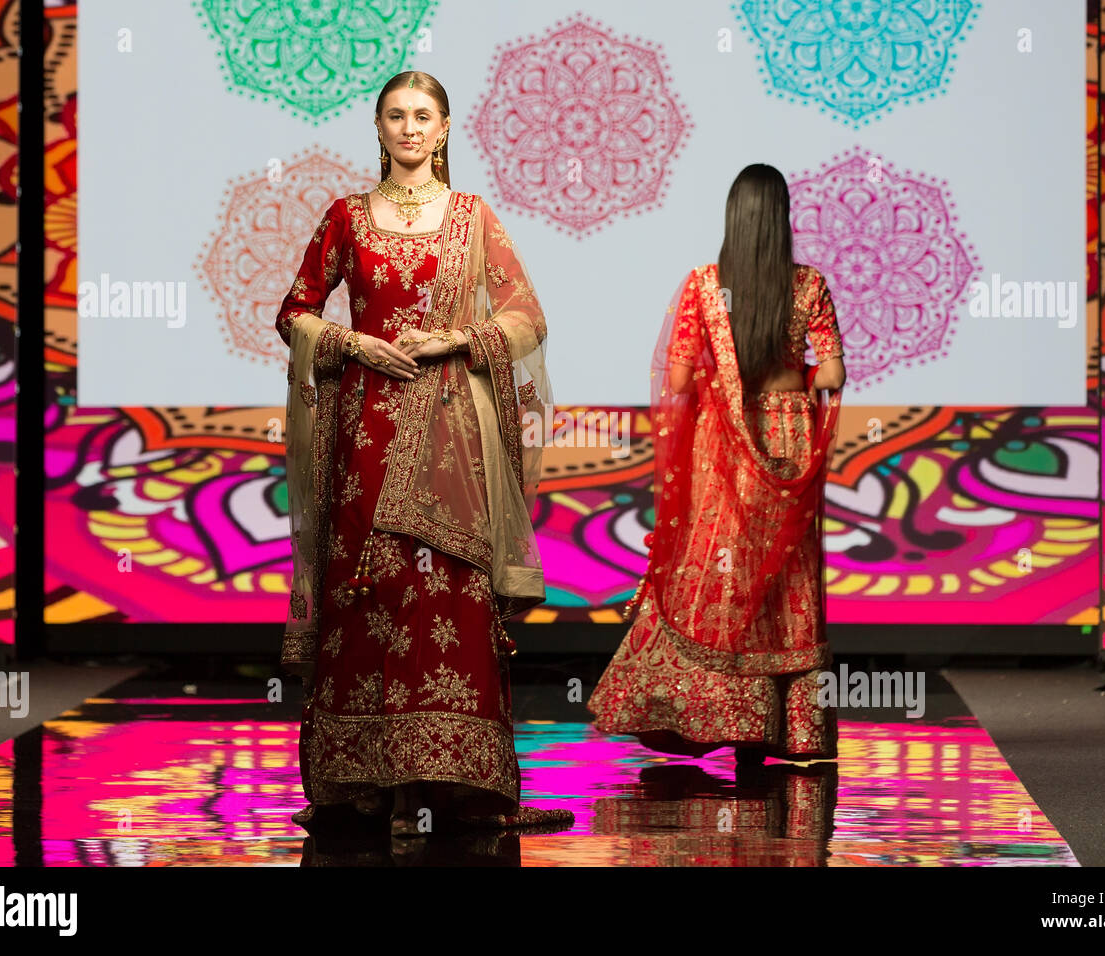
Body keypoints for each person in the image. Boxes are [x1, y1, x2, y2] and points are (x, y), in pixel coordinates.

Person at [276, 70, 570, 836]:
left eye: (423, 116)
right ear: (378, 129)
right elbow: (296, 312)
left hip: (452, 437)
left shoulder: (474, 217)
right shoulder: (347, 217)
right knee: (365, 589)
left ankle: (461, 781)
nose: (409, 128)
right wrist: (350, 342)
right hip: (365, 432)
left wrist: (460, 339)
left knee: (447, 594)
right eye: (395, 116)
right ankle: (362, 782)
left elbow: (526, 315)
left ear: (444, 130)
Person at [588, 163, 846, 767]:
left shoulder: (704, 286)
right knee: (787, 571)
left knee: (718, 568)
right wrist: (802, 377)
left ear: (733, 217)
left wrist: (725, 385)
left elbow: (678, 378)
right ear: (781, 220)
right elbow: (832, 371)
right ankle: (794, 733)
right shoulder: (808, 284)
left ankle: (727, 716)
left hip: (720, 446)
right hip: (787, 436)